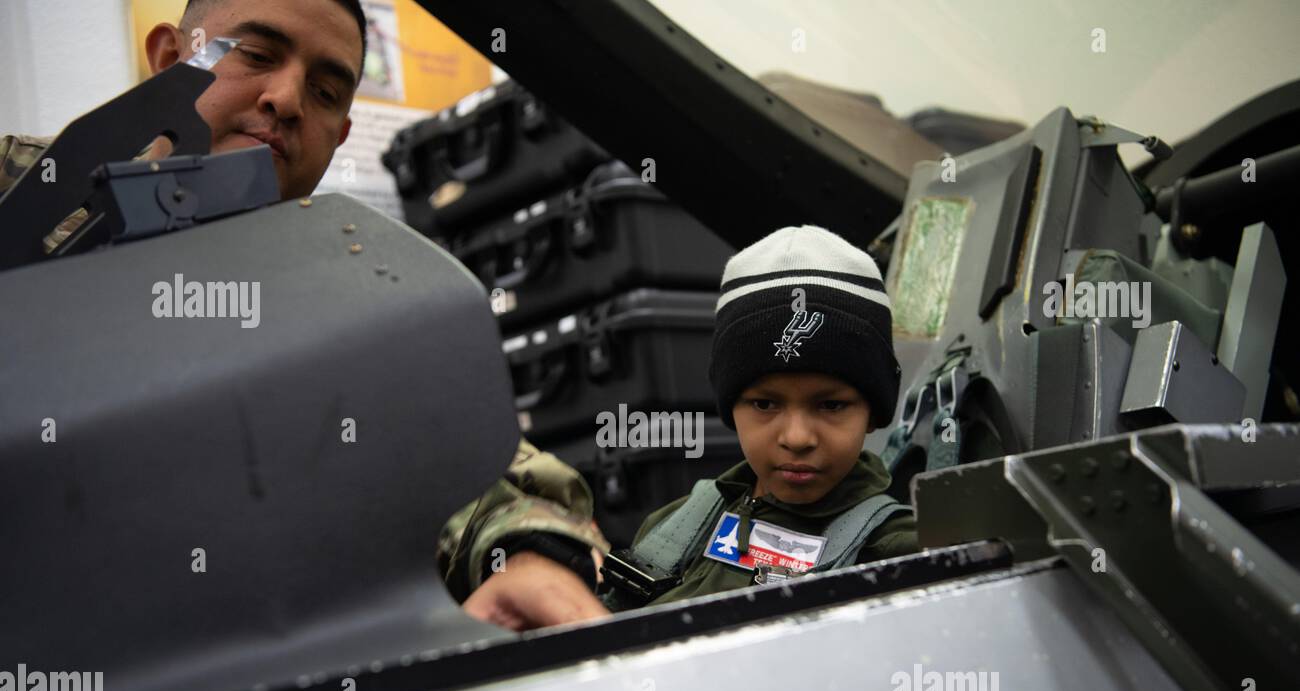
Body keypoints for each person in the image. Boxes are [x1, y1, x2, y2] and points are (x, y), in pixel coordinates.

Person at [0, 0, 610, 630]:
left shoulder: (350, 303)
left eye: (324, 91)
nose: (288, 100)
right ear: (166, 60)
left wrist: (527, 556)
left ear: (340, 134)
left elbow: (469, 472)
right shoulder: (19, 191)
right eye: (257, 55)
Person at [600, 225, 918, 611]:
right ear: (731, 407)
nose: (798, 437)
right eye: (765, 404)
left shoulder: (902, 556)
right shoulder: (674, 529)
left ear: (874, 412)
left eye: (831, 405)